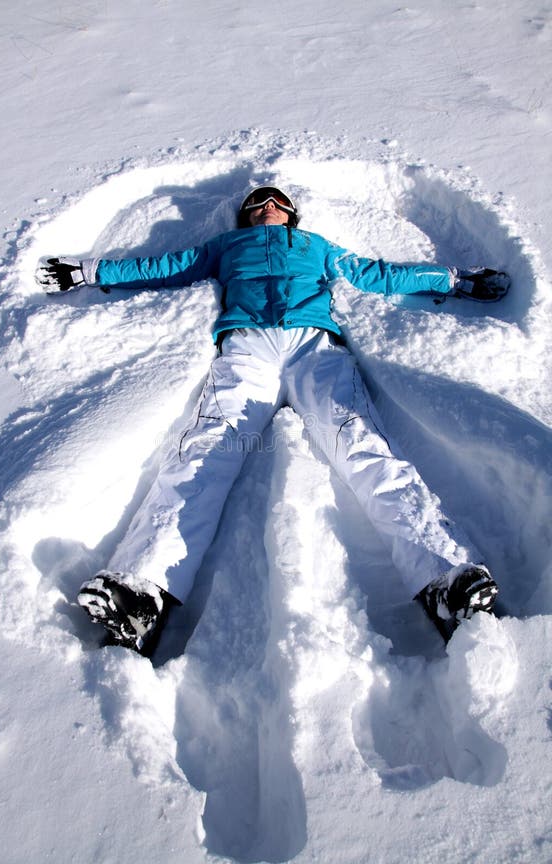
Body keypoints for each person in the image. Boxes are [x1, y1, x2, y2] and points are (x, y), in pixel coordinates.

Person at [37, 186, 508, 654]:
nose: (267, 205)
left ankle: (445, 580)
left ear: (290, 215)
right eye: (258, 202)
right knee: (205, 451)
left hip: (314, 348)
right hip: (247, 350)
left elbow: (379, 274)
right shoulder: (226, 246)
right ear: (246, 215)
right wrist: (86, 271)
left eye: (277, 202)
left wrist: (455, 280)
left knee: (363, 446)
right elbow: (163, 266)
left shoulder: (316, 246)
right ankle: (142, 590)